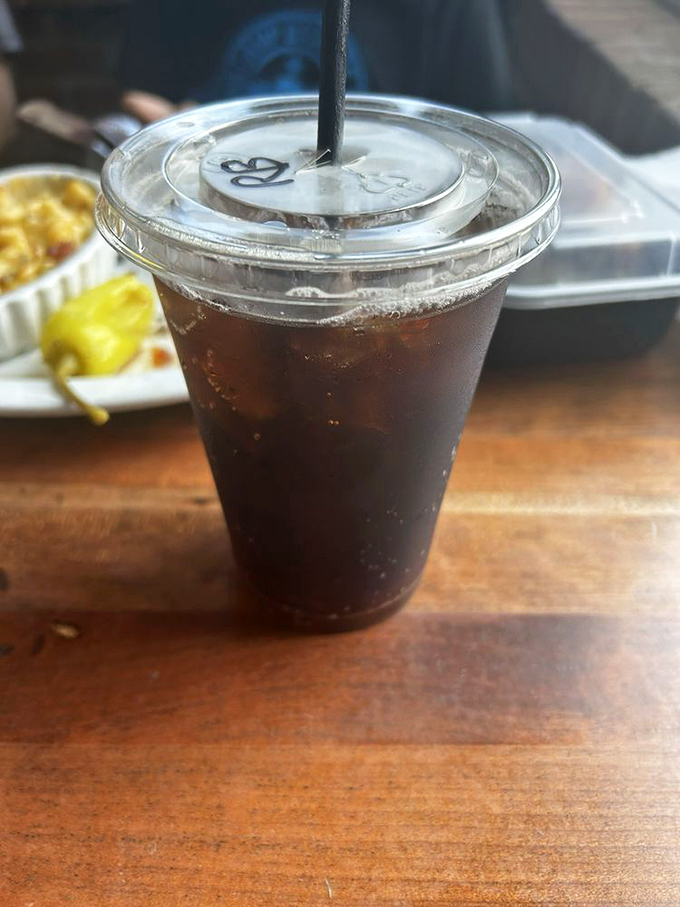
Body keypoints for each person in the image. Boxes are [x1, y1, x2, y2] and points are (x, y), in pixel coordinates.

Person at [122, 0, 514, 123]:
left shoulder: (451, 8)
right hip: (209, 232)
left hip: (391, 251)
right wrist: (162, 130)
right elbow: (147, 104)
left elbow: (483, 141)